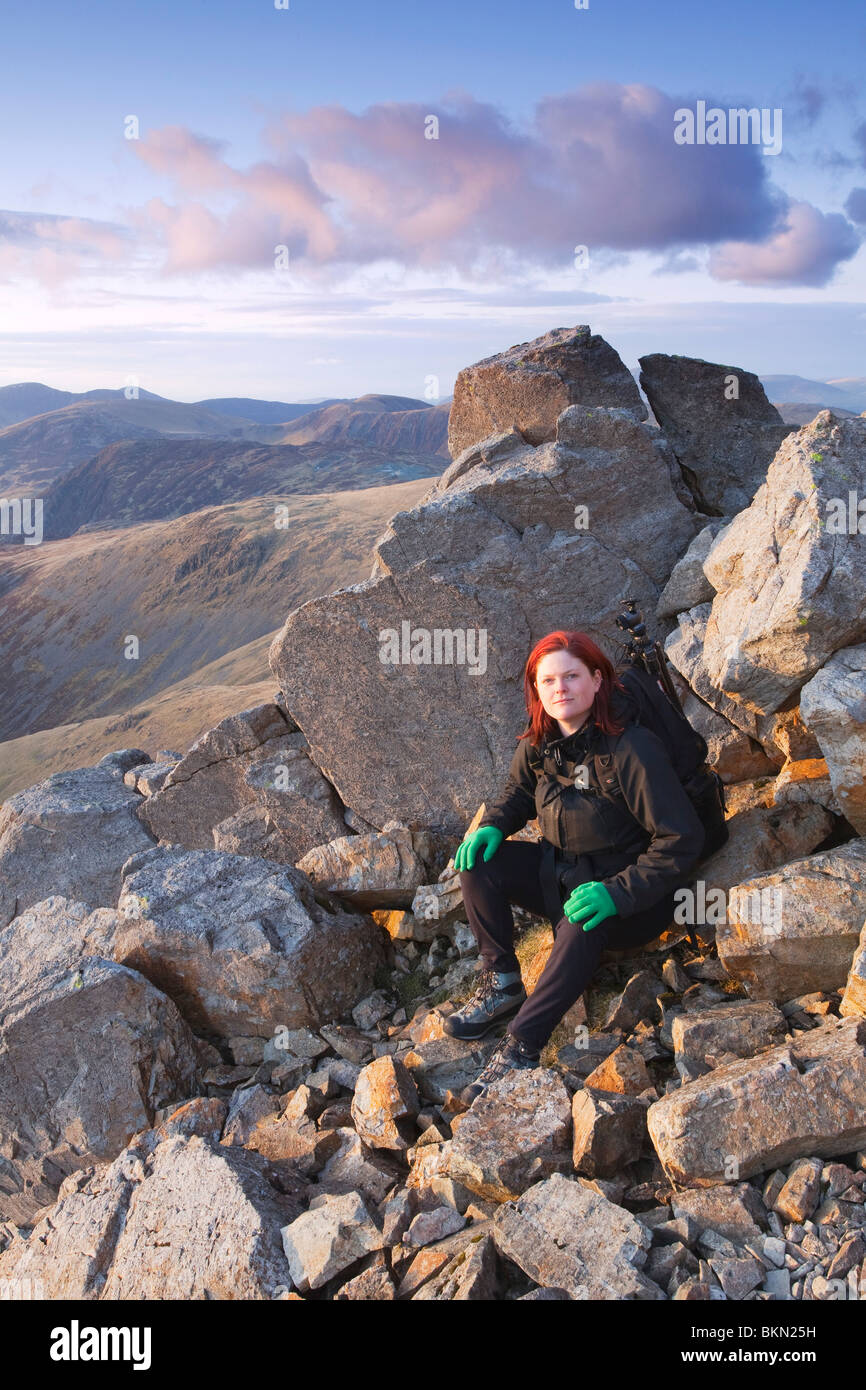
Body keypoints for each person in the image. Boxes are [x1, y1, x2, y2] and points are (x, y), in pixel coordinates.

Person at [444, 629, 707, 1105]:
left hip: (631, 899)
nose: (559, 688)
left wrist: (619, 893)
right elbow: (518, 792)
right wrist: (496, 825)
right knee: (480, 860)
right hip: (559, 874)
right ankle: (501, 982)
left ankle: (522, 1047)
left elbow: (680, 840)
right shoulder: (540, 741)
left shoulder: (632, 749)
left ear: (597, 680)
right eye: (548, 681)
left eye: (571, 676)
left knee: (580, 923)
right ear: (536, 690)